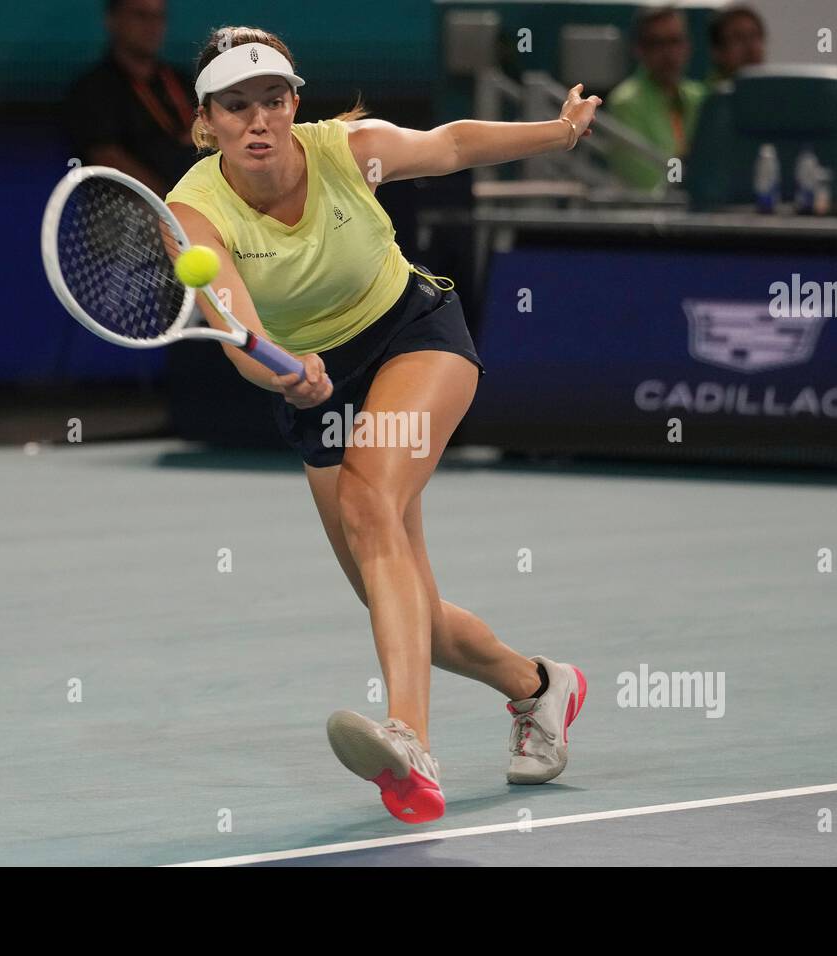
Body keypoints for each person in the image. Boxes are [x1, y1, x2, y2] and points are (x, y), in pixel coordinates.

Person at [165, 26, 597, 824]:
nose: (258, 121)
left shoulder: (347, 150)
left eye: (272, 100)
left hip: (413, 336)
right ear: (206, 122)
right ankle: (540, 687)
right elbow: (239, 331)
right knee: (411, 616)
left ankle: (411, 739)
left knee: (370, 504)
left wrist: (561, 130)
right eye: (236, 105)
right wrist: (288, 375)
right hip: (312, 384)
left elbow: (451, 143)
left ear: (295, 104)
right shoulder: (194, 214)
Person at [63, 0, 197, 198]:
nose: (152, 26)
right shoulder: (93, 88)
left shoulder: (182, 81)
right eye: (141, 16)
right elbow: (107, 158)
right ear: (112, 20)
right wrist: (169, 202)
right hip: (130, 206)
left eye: (158, 17)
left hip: (195, 200)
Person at [605, 4, 707, 192]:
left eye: (675, 41)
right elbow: (647, 181)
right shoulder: (625, 103)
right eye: (657, 43)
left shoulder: (700, 97)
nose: (668, 54)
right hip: (649, 215)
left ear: (688, 46)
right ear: (639, 50)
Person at [708, 4, 767, 87]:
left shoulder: (777, 92)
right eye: (738, 38)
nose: (750, 47)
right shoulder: (706, 97)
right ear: (717, 52)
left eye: (754, 36)